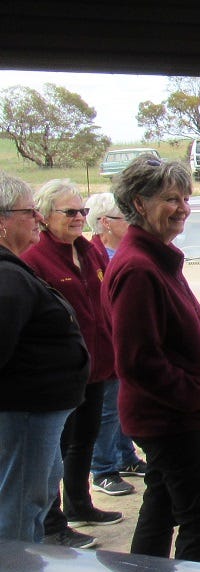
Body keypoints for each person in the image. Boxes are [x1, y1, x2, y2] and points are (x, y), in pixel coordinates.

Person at [105, 155, 200, 563]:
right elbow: (137, 361)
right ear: (139, 202)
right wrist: (198, 397)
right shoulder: (138, 268)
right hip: (168, 418)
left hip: (166, 415)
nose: (182, 207)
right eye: (170, 198)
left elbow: (163, 341)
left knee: (161, 506)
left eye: (185, 197)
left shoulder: (158, 257)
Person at [25, 179, 123, 549]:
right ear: (44, 215)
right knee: (54, 447)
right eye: (70, 212)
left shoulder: (90, 251)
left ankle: (80, 504)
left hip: (95, 364)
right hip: (59, 371)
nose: (79, 218)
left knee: (84, 438)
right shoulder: (35, 257)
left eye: (82, 211)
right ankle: (52, 524)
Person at [0, 172, 89, 545]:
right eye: (29, 212)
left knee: (35, 498)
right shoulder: (7, 277)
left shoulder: (13, 270)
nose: (37, 219)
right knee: (20, 505)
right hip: (25, 413)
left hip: (36, 414)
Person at [84, 193, 146, 497]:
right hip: (104, 347)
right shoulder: (94, 255)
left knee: (120, 404)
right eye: (125, 218)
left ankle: (126, 458)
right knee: (108, 410)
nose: (132, 223)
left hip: (120, 344)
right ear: (104, 223)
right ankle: (103, 470)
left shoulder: (122, 252)